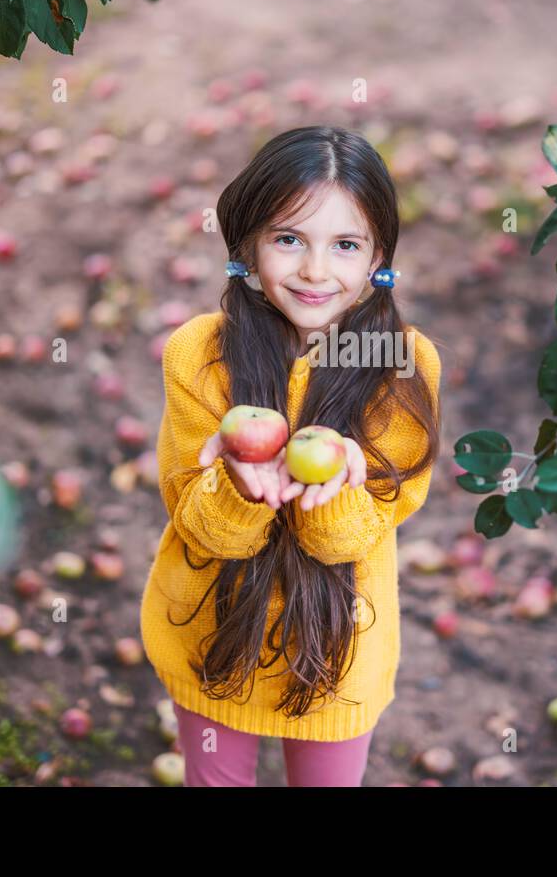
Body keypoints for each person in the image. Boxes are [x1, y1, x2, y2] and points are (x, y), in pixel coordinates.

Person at [139, 125, 443, 786]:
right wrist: (238, 488)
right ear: (247, 245)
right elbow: (196, 521)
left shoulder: (402, 368)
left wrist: (334, 494)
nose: (314, 270)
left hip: (339, 655)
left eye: (344, 244)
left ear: (378, 256)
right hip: (209, 636)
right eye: (288, 239)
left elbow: (360, 534)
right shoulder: (200, 353)